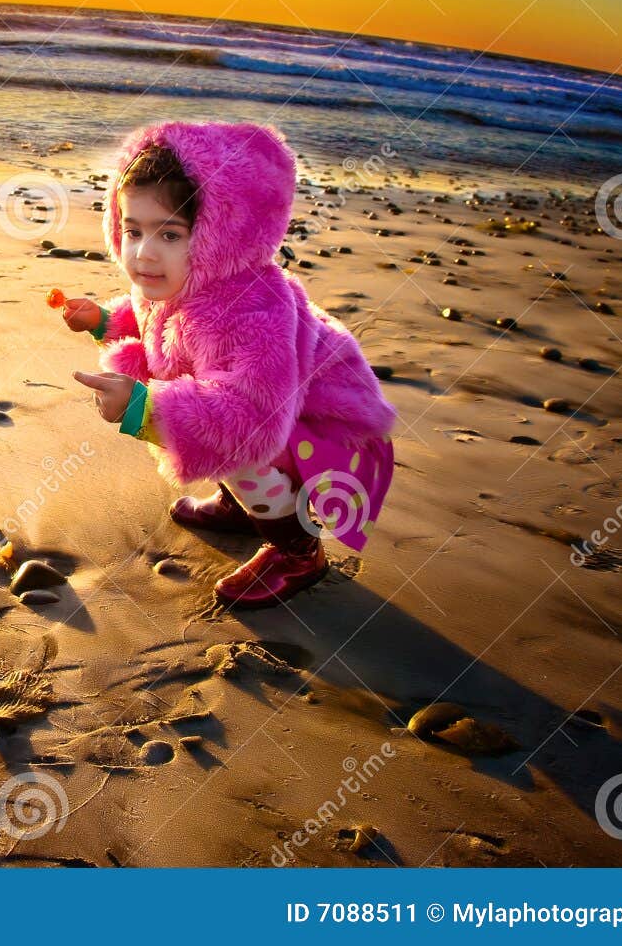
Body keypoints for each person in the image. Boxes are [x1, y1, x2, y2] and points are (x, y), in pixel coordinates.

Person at [64, 120, 396, 609]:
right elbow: (154, 316)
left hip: (322, 428)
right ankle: (243, 509)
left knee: (233, 441)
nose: (144, 253)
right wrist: (103, 318)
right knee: (203, 402)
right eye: (132, 230)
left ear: (225, 232)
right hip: (277, 410)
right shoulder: (182, 276)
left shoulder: (248, 309)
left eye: (170, 234)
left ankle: (298, 549)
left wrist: (141, 406)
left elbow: (249, 418)